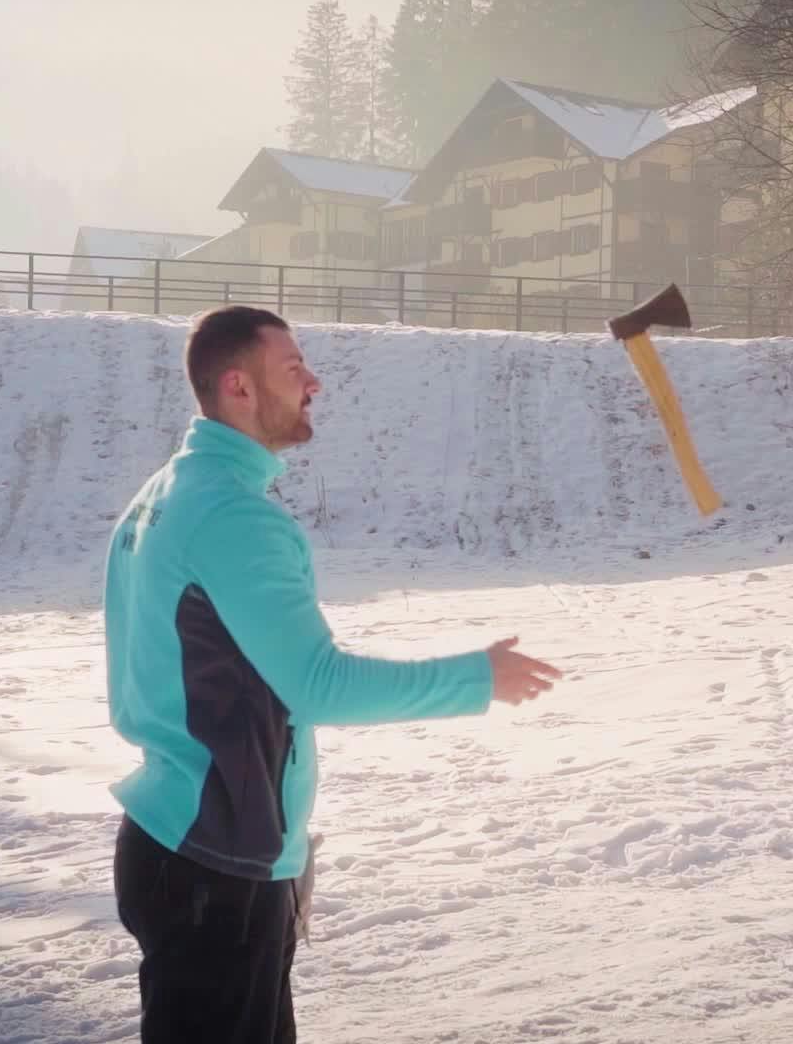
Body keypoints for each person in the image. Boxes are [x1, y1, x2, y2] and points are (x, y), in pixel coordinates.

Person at [103, 304, 561, 1043]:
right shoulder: (232, 517)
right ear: (238, 387)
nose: (314, 382)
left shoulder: (167, 493)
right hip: (214, 861)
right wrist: (479, 679)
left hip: (183, 845)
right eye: (293, 368)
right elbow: (319, 685)